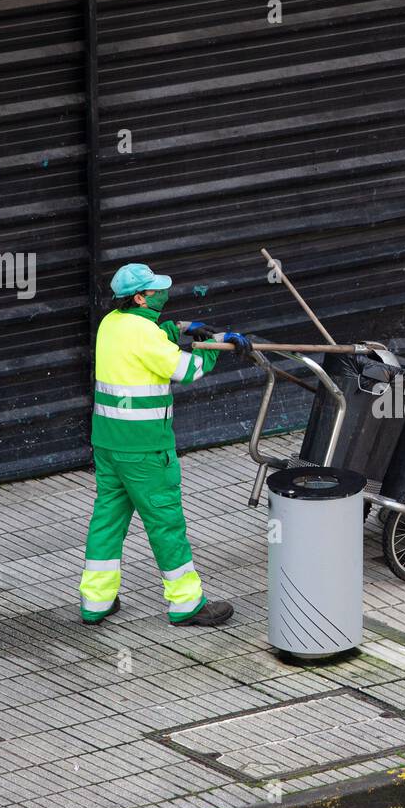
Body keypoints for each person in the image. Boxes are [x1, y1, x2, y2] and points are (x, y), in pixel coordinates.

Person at [78, 262, 251, 625]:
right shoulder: (145, 335)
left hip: (109, 444)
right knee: (166, 523)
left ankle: (96, 601)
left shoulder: (112, 324)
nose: (162, 294)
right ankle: (186, 602)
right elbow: (188, 370)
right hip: (146, 450)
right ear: (140, 297)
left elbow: (156, 335)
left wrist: (187, 327)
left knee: (107, 521)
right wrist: (217, 345)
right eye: (155, 290)